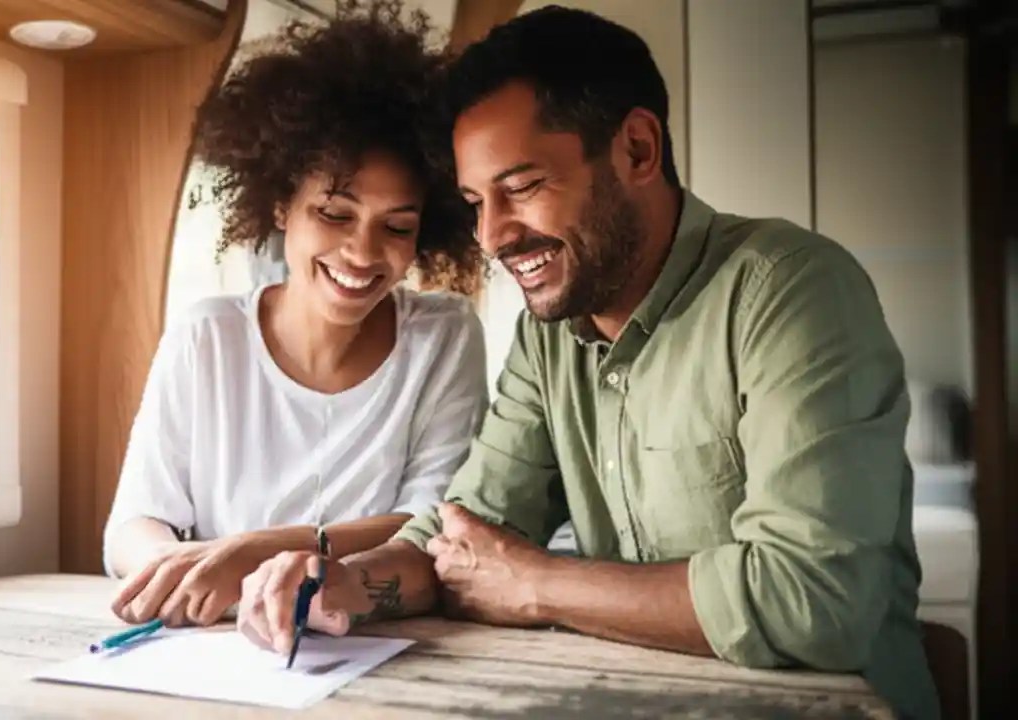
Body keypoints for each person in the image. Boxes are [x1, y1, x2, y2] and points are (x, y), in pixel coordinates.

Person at [236, 7, 939, 718]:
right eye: (476, 202)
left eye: (522, 187)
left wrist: (537, 584)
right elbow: (463, 534)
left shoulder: (791, 291)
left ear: (637, 148)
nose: (493, 235)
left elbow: (815, 602)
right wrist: (340, 583)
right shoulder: (547, 337)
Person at [103, 0, 487, 629]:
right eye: (335, 214)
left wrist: (258, 549)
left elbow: (433, 526)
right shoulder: (206, 337)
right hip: (223, 640)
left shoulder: (443, 336)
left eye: (396, 227)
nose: (362, 252)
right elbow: (134, 524)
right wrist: (183, 570)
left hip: (376, 641)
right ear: (282, 204)